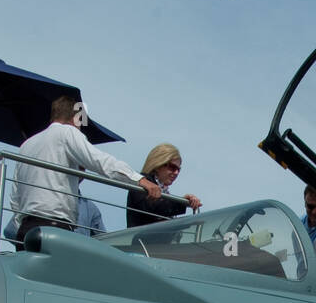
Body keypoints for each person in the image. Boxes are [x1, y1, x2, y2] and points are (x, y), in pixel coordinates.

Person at [10, 96, 161, 245]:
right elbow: (99, 160)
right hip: (54, 226)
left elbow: (15, 197)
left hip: (25, 230)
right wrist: (139, 179)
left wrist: (20, 224)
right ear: (76, 118)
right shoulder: (68, 132)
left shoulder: (26, 145)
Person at [126, 143, 202, 228]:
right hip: (142, 240)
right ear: (158, 165)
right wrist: (182, 202)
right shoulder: (142, 182)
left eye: (178, 169)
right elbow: (154, 208)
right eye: (172, 167)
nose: (176, 173)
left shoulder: (163, 190)